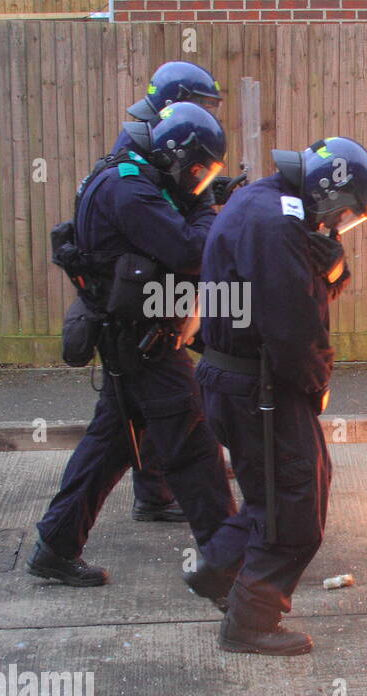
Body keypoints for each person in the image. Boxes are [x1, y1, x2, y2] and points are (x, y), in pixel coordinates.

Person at [28, 103, 236, 587]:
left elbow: (167, 225)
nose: (196, 182)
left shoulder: (132, 174)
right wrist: (208, 208)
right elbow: (188, 250)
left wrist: (197, 200)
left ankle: (55, 546)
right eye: (196, 171)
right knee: (193, 447)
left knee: (110, 443)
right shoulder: (129, 187)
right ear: (173, 153)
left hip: (131, 337)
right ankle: (232, 567)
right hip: (144, 341)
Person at [188, 137, 367, 656]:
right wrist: (317, 384)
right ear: (325, 188)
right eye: (341, 212)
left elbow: (293, 292)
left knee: (275, 495)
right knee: (294, 510)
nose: (338, 225)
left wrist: (333, 270)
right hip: (261, 388)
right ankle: (251, 622)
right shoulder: (277, 227)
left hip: (234, 382)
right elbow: (293, 325)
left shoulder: (262, 203)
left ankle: (216, 569)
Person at [112, 61, 227, 523]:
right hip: (152, 300)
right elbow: (181, 243)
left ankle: (155, 490)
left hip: (155, 294)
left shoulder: (150, 141)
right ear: (176, 100)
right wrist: (206, 205)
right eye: (199, 104)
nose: (204, 113)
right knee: (181, 404)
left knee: (126, 421)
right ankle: (223, 545)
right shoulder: (139, 157)